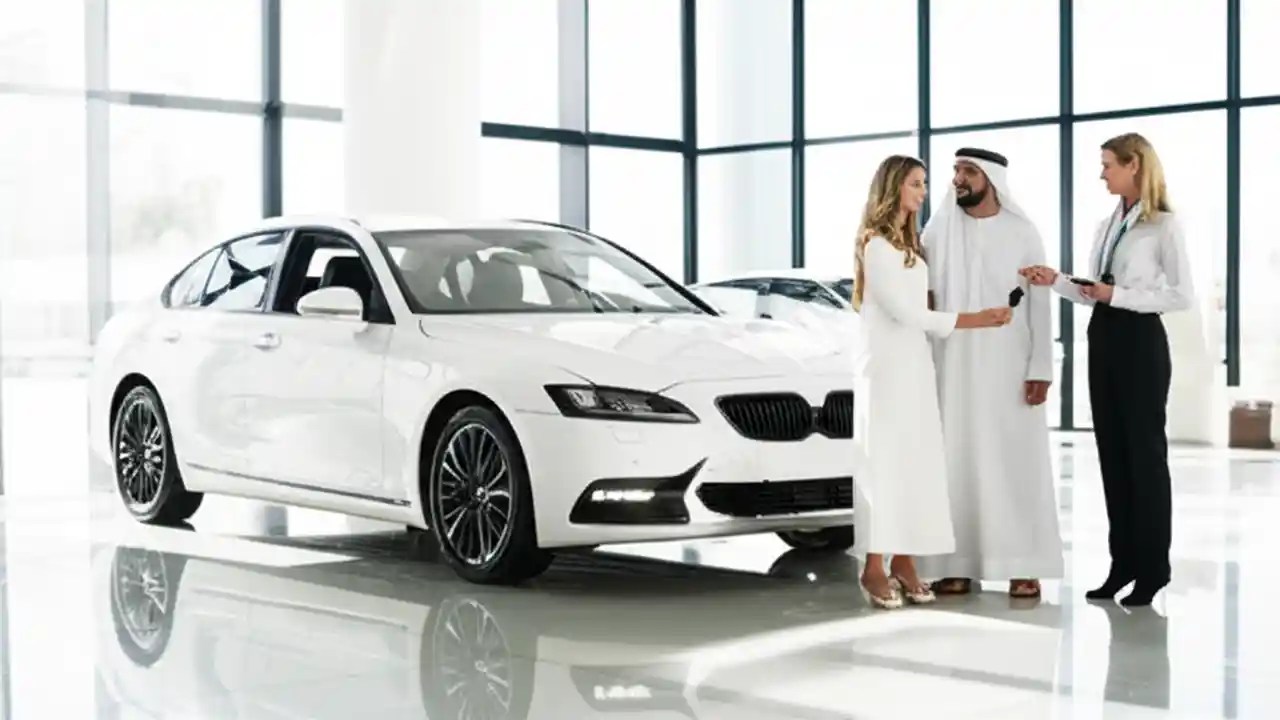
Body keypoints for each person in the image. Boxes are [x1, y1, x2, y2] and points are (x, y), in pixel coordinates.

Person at [1021, 132, 1193, 607]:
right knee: (1113, 456)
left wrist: (1116, 295)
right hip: (1104, 338)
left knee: (1145, 458)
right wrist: (1056, 280)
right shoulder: (1106, 224)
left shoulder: (1163, 226)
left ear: (1134, 165)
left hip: (1140, 342)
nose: (1102, 174)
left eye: (1108, 165)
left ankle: (1153, 569)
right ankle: (1124, 565)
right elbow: (1094, 290)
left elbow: (1181, 296)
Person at [851, 154, 1014, 609]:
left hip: (915, 365)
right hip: (885, 370)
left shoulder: (912, 246)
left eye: (924, 184)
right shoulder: (875, 245)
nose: (924, 192)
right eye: (915, 184)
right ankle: (873, 566)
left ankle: (905, 561)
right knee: (885, 462)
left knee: (916, 461)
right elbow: (907, 313)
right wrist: (976, 319)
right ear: (893, 188)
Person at [916, 147, 1064, 599]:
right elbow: (923, 298)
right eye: (956, 170)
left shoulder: (1023, 231)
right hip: (951, 365)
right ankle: (954, 565)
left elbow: (1039, 302)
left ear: (992, 179)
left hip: (1010, 365)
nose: (958, 179)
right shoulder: (937, 231)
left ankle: (1023, 564)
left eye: (968, 171)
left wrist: (1041, 367)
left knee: (1016, 463)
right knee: (955, 464)